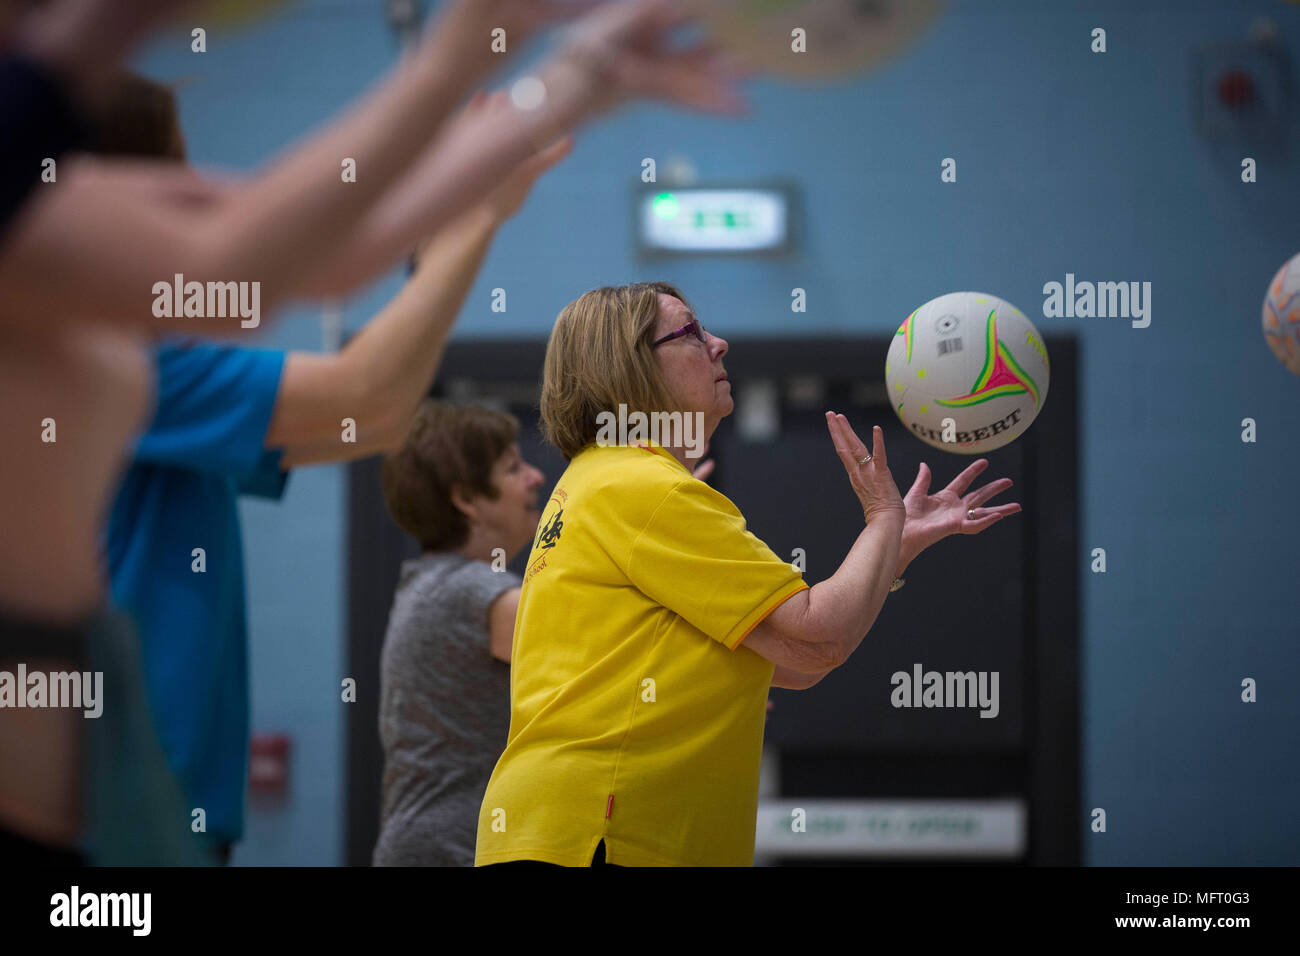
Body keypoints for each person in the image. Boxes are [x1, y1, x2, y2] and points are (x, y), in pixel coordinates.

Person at [102, 85, 565, 864]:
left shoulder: (147, 375)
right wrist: (473, 215)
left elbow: (367, 416)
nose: (194, 196)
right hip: (115, 811)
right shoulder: (116, 363)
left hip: (169, 807)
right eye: (177, 170)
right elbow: (370, 399)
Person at [476, 282, 1022, 867]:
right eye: (690, 332)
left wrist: (895, 546)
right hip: (599, 838)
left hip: (583, 835)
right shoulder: (641, 487)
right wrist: (883, 517)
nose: (719, 343)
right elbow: (821, 629)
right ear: (630, 367)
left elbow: (803, 659)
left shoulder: (602, 479)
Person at [372, 401, 546, 866]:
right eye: (513, 468)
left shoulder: (431, 582)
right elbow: (602, 659)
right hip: (447, 852)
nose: (536, 477)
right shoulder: (473, 591)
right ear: (467, 499)